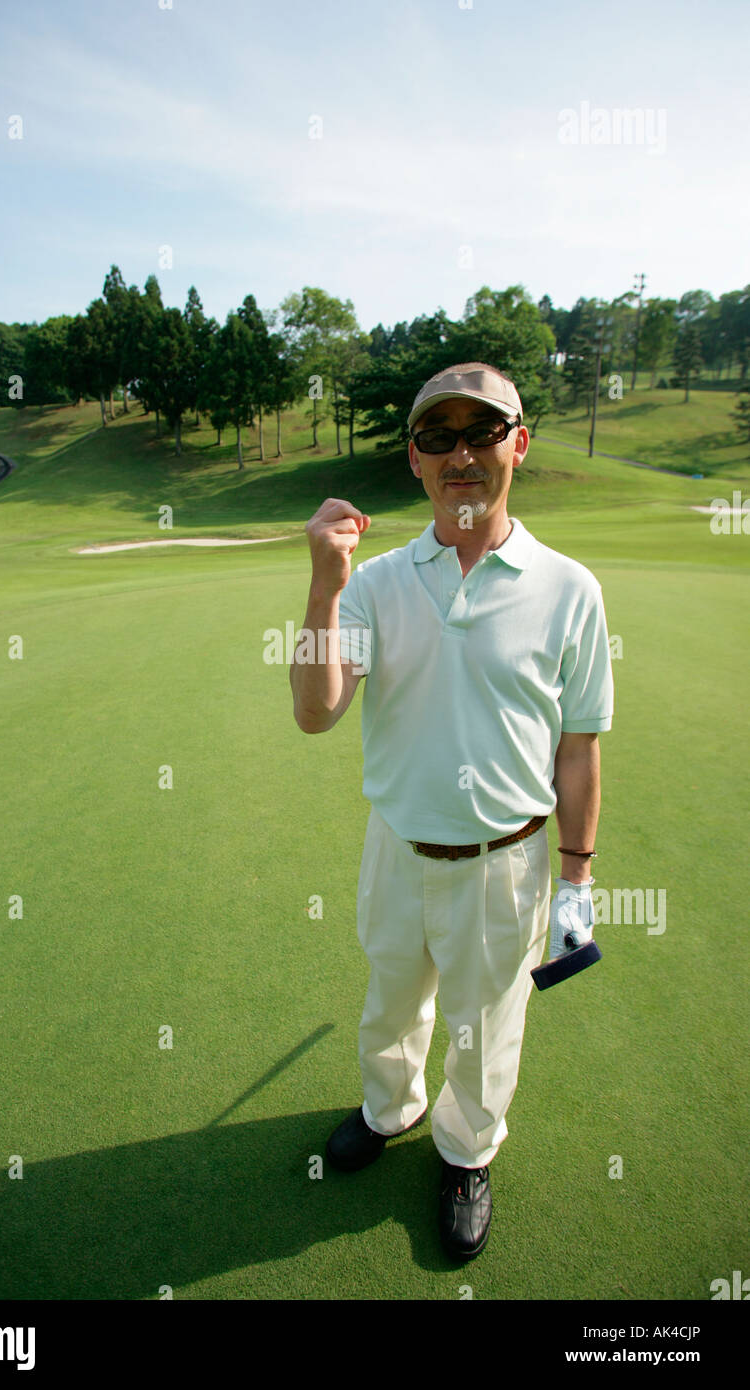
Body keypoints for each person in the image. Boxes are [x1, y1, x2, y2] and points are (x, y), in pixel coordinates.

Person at [289, 362, 613, 1261]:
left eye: (483, 431)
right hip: (396, 845)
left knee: (484, 1023)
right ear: (415, 460)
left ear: (519, 442)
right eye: (440, 436)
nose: (461, 453)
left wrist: (578, 879)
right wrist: (324, 582)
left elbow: (579, 747)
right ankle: (390, 1106)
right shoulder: (377, 581)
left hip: (506, 859)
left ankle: (467, 1150)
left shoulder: (569, 588)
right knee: (390, 1000)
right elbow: (317, 711)